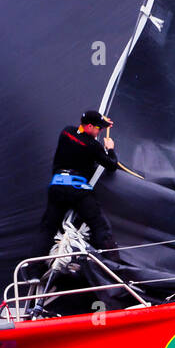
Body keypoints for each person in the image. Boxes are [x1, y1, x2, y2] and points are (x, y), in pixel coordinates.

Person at [31, 110, 120, 260]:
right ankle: (114, 266)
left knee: (47, 229)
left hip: (57, 187)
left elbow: (80, 132)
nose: (100, 132)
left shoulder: (66, 132)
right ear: (90, 126)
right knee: (99, 226)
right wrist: (110, 149)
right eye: (99, 128)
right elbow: (112, 165)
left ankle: (33, 271)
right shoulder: (94, 146)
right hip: (77, 189)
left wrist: (102, 121)